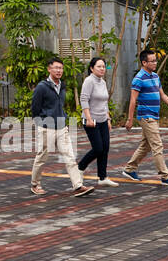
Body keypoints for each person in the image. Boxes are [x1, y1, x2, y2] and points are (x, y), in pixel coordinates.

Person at [30, 56, 95, 197]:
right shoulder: (42, 87)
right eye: (56, 68)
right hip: (46, 127)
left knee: (70, 156)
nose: (59, 71)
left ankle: (78, 185)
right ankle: (35, 184)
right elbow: (35, 109)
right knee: (42, 157)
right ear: (49, 69)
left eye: (61, 68)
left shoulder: (62, 86)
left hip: (61, 127)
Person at [122, 48, 168, 186]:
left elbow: (162, 95)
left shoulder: (155, 76)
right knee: (157, 145)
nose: (155, 63)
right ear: (144, 62)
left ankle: (129, 169)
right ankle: (165, 176)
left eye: (155, 60)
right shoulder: (138, 79)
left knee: (145, 145)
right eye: (152, 61)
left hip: (154, 116)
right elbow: (133, 100)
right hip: (146, 116)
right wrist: (130, 119)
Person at [77, 56, 116, 186]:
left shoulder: (102, 82)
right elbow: (84, 100)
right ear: (92, 68)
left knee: (105, 148)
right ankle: (80, 168)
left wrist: (108, 119)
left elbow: (105, 102)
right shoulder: (89, 81)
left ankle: (102, 177)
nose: (102, 69)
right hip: (91, 120)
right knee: (98, 149)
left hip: (103, 120)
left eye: (104, 66)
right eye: (99, 66)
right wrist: (88, 118)